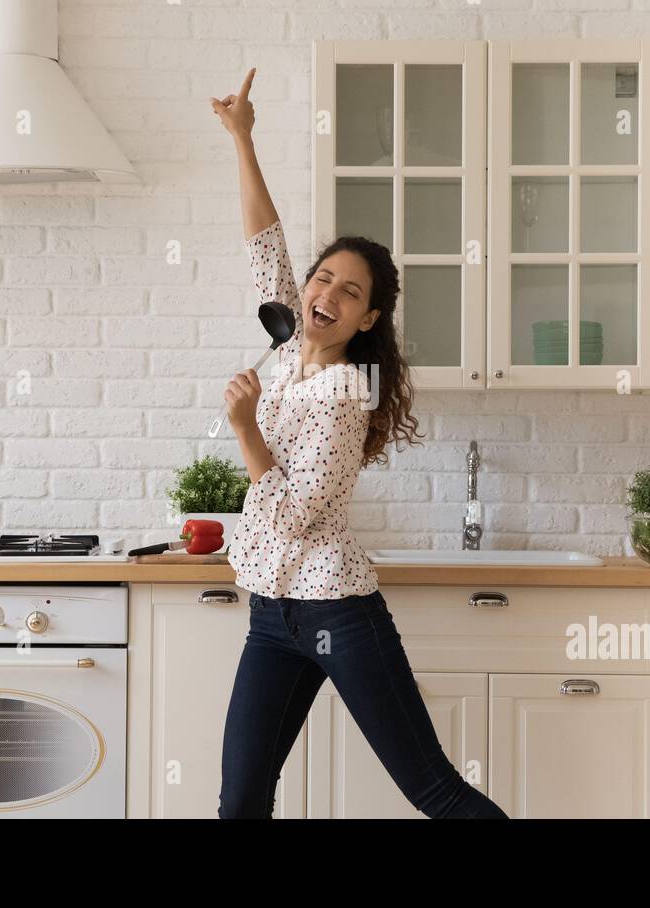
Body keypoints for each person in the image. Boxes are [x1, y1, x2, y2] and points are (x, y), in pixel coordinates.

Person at [209, 68, 508, 819]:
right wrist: (243, 138)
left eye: (350, 293)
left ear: (369, 319)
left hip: (336, 613)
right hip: (271, 614)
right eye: (323, 279)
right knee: (241, 800)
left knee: (435, 791)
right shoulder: (285, 347)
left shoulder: (346, 396)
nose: (328, 295)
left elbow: (298, 513)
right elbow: (262, 243)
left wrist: (246, 432)